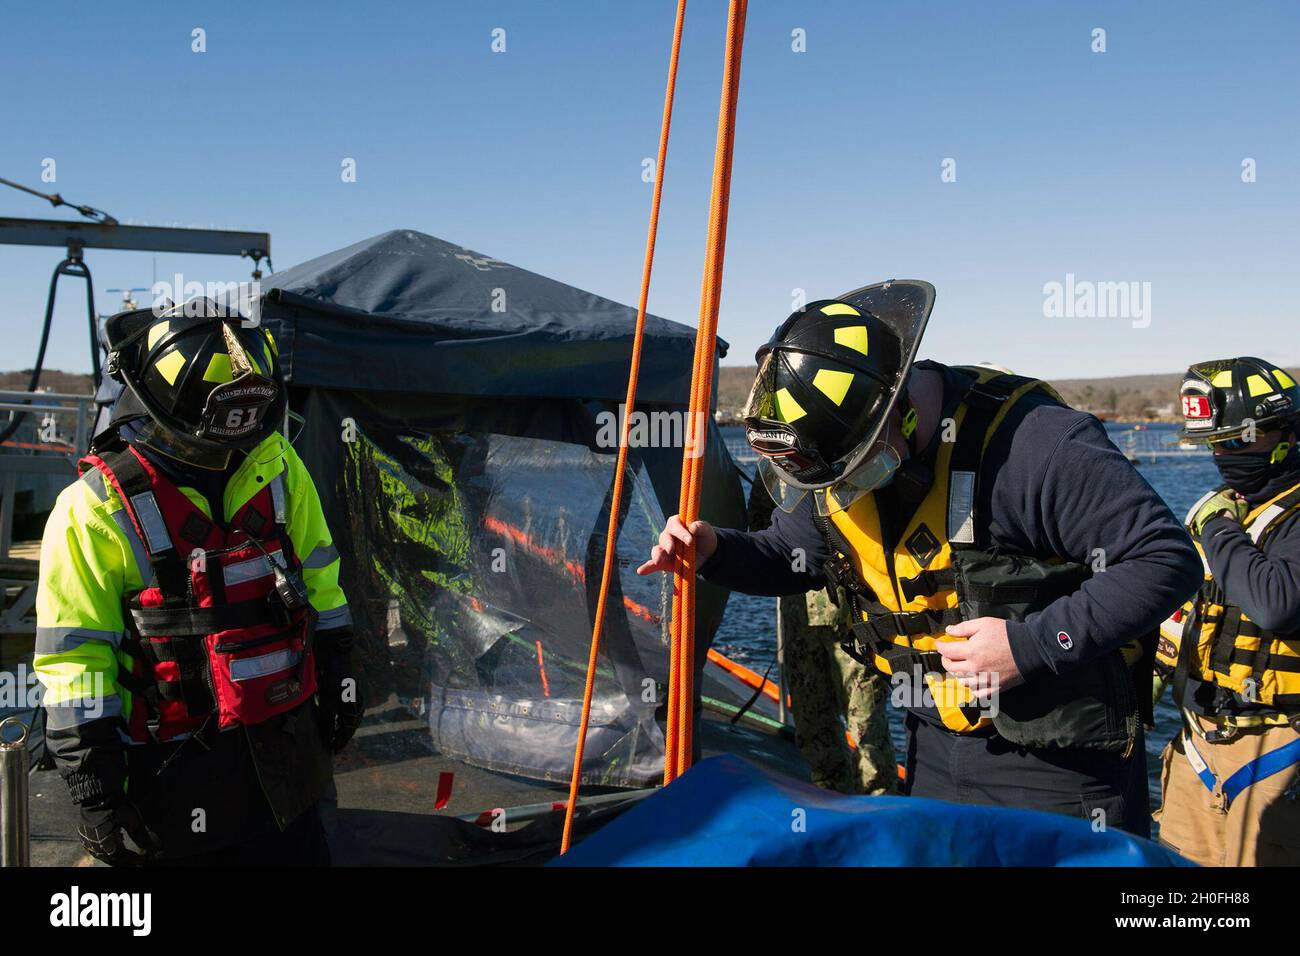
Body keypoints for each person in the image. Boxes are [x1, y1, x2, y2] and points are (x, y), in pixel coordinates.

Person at [639, 281, 1202, 835]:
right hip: (932, 743)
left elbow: (1164, 559)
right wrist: (715, 549)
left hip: (1060, 766)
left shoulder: (1039, 444)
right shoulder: (831, 453)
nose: (847, 489)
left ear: (899, 411)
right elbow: (791, 554)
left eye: (856, 469)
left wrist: (1032, 645)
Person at [34, 297, 362, 866]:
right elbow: (75, 657)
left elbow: (321, 575)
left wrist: (339, 666)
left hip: (287, 755)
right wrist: (95, 787)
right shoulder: (92, 508)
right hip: (172, 769)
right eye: (209, 442)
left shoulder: (276, 461)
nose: (230, 455)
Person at [1153, 357, 1300, 865]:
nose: (1224, 456)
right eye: (1216, 444)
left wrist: (1217, 529)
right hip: (1199, 741)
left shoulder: (1263, 518)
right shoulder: (1238, 509)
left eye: (1239, 441)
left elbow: (1274, 602)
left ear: (1287, 431)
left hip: (1280, 748)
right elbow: (1192, 607)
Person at [748, 481, 896, 794]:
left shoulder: (850, 463)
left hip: (853, 621)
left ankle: (880, 814)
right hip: (800, 620)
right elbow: (761, 533)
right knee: (812, 724)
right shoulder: (776, 469)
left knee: (866, 729)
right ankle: (830, 804)